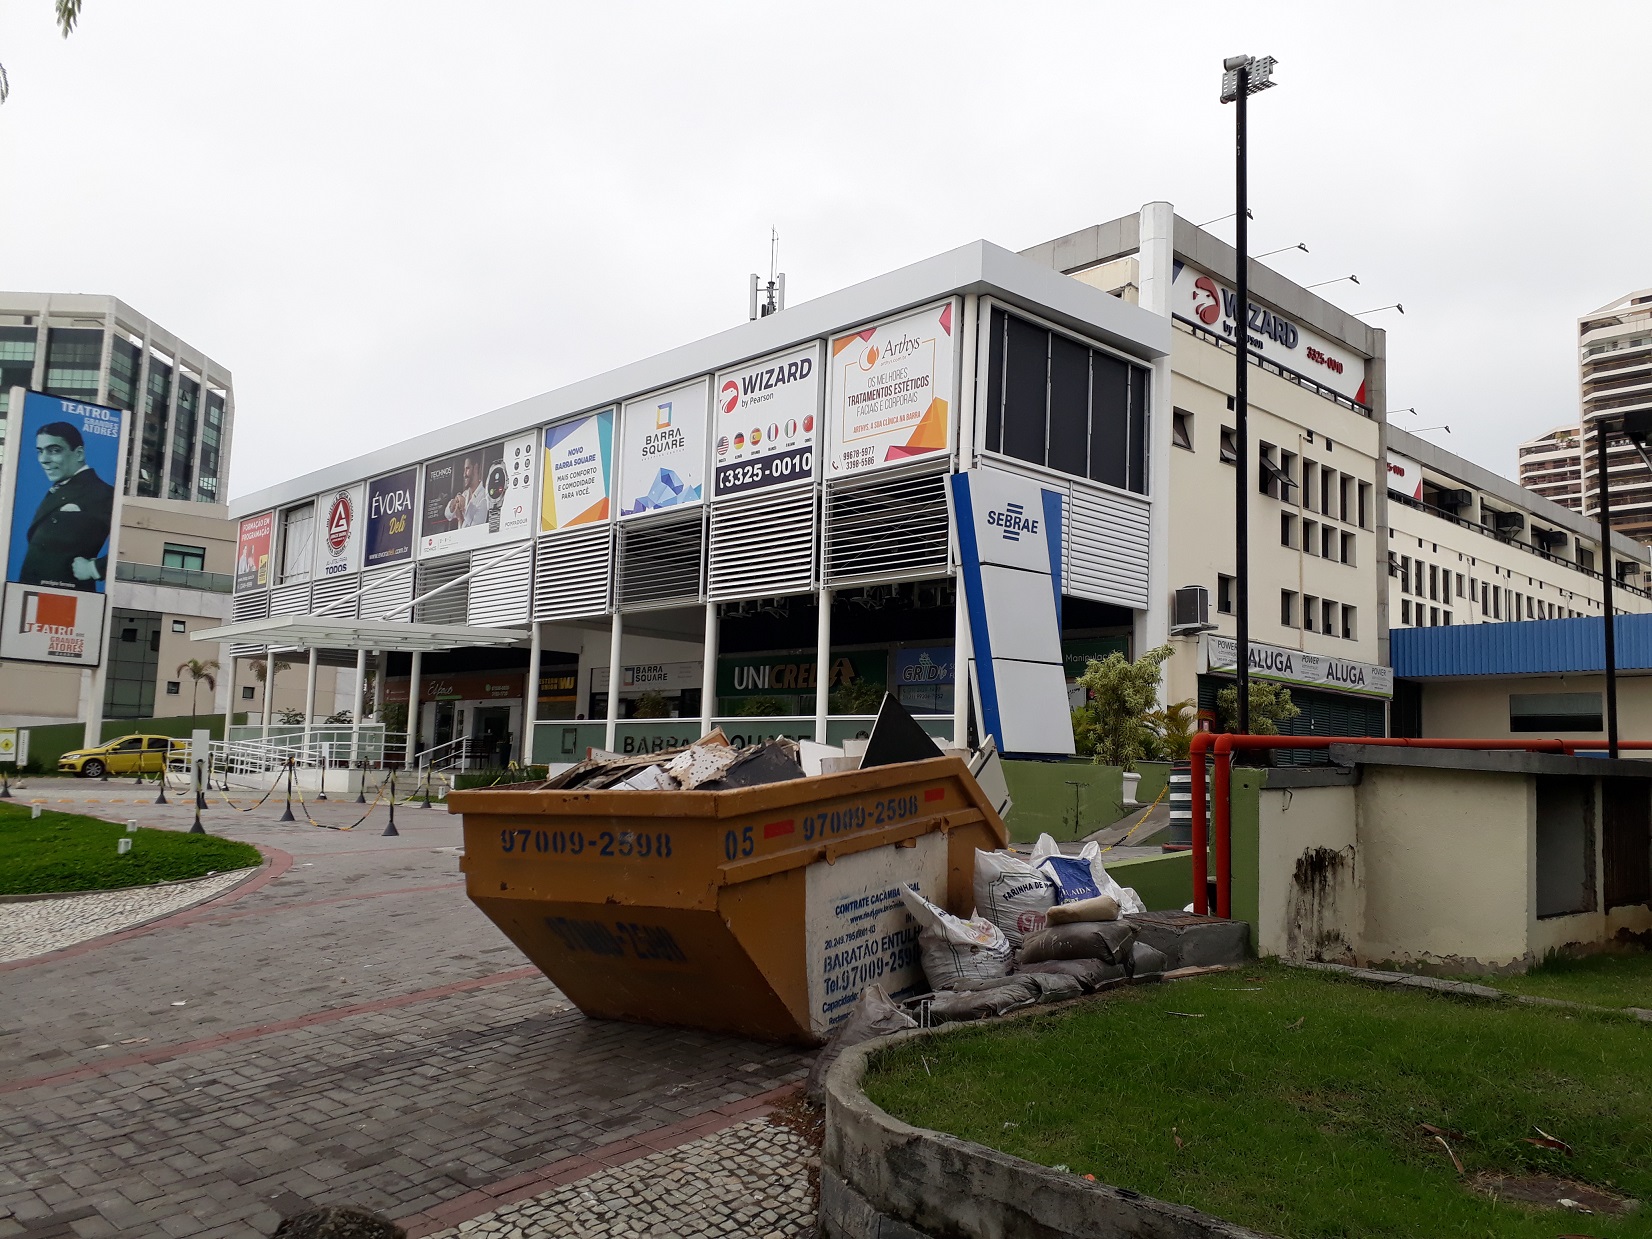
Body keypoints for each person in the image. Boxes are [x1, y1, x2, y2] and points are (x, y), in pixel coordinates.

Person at [18, 421, 115, 591]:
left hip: (68, 597)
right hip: (30, 594)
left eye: (54, 450)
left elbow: (137, 546)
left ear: (78, 454)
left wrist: (94, 569)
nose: (43, 460)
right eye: (40, 451)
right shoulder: (59, 487)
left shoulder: (102, 493)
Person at [443, 454, 489, 529]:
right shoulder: (465, 494)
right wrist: (456, 500)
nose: (464, 474)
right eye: (464, 470)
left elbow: (474, 530)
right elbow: (448, 515)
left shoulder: (484, 497)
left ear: (475, 468)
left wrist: (460, 517)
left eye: (467, 469)